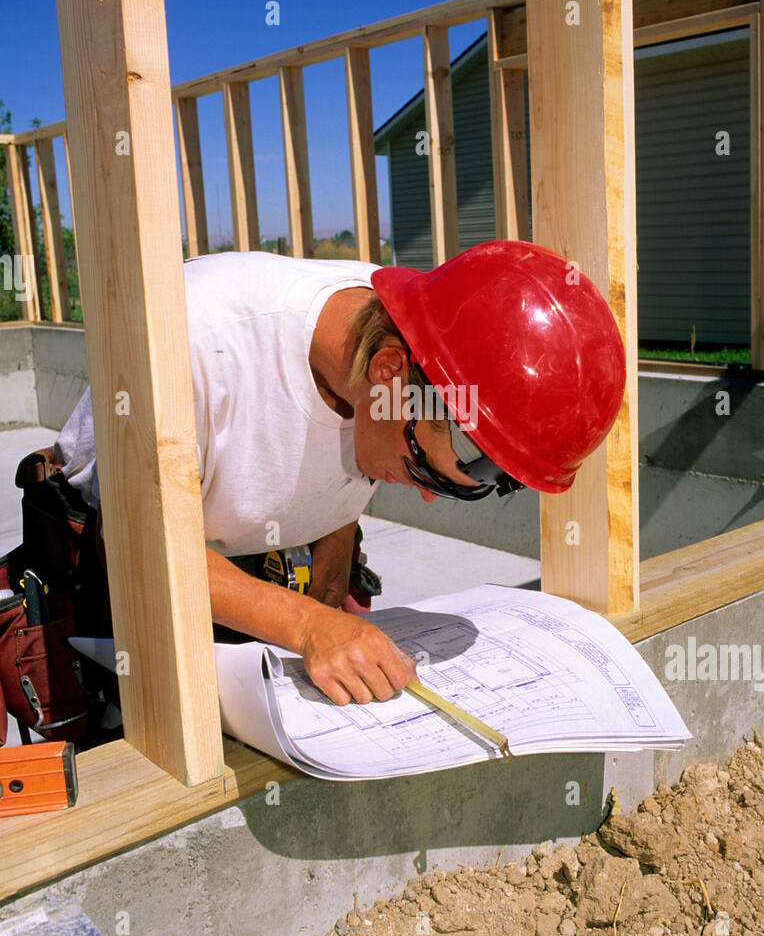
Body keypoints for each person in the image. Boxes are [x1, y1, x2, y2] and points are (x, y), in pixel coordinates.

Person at [52, 240, 626, 708]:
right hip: (122, 582)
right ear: (388, 370)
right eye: (425, 468)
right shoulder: (193, 339)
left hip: (265, 564)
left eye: (479, 480)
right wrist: (307, 626)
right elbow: (140, 549)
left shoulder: (422, 342)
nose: (428, 499)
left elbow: (323, 462)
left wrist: (329, 585)